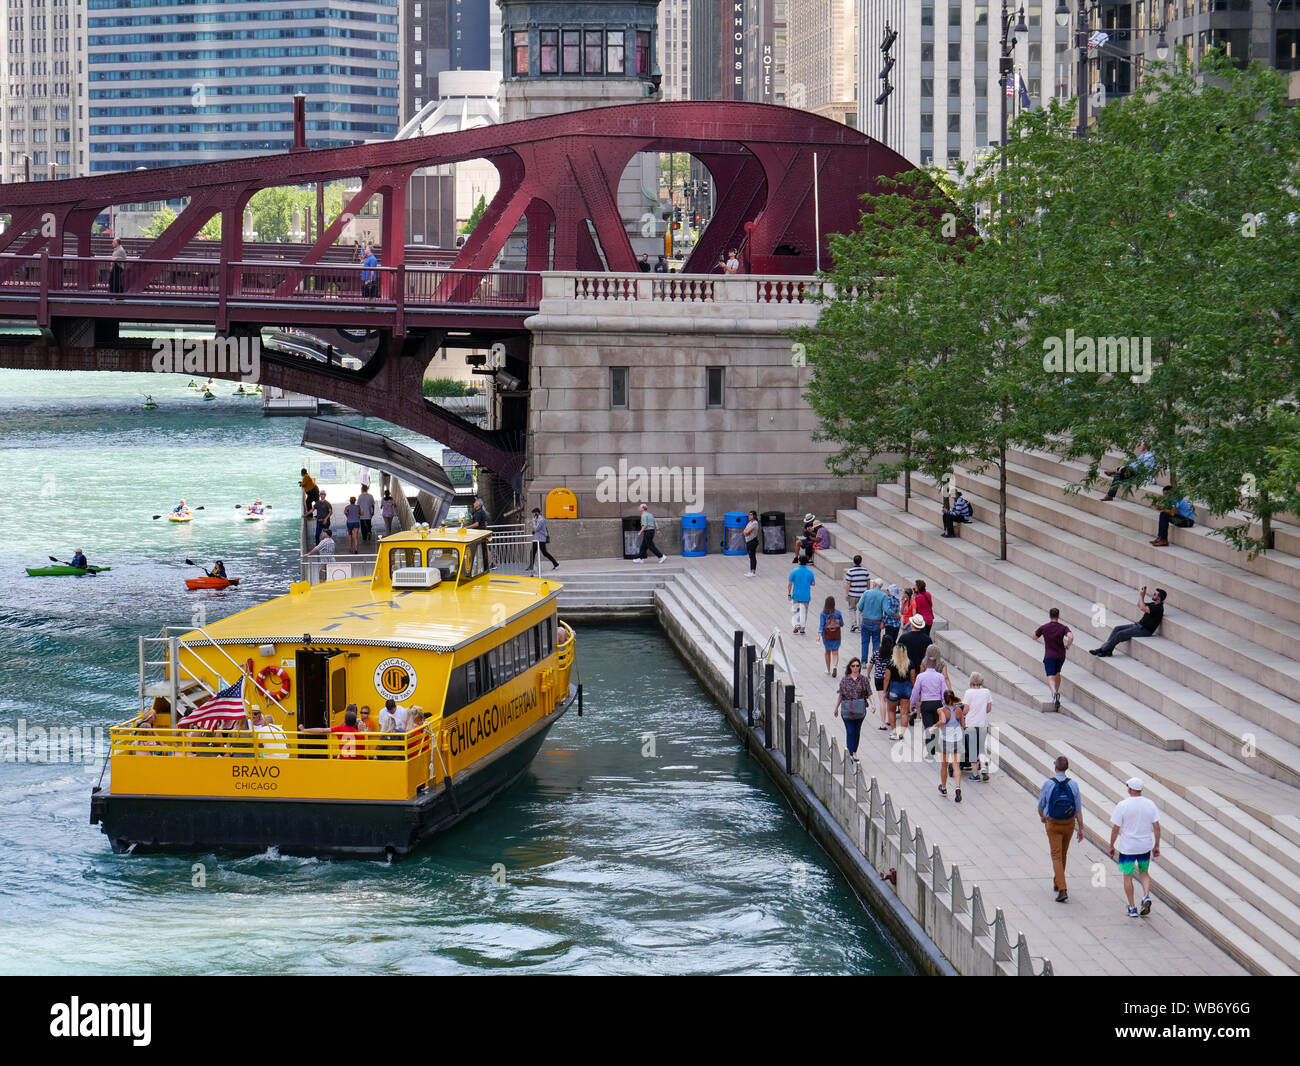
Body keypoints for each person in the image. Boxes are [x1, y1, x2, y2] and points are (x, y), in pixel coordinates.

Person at [1109, 777, 1161, 918]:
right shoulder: (1150, 804)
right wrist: (1157, 845)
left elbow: (1115, 829)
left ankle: (1132, 908)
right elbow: (1156, 827)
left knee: (1128, 877)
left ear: (1130, 789)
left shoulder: (1123, 805)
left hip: (1128, 847)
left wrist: (1111, 845)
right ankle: (1145, 896)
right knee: (1144, 872)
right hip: (1144, 846)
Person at [1038, 755, 1084, 903]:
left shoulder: (1048, 784)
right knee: (1063, 853)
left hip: (1053, 823)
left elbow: (1040, 805)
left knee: (1056, 855)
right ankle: (1058, 882)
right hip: (1069, 823)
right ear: (1067, 768)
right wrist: (1081, 828)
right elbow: (1078, 809)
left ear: (1055, 767)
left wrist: (1042, 817)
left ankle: (1062, 888)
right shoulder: (1074, 785)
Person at [1090, 587, 1166, 657]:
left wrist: (1141, 595)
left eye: (1155, 594)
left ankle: (1102, 649)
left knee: (1120, 634)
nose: (1153, 595)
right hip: (1138, 626)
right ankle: (1109, 650)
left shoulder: (1158, 608)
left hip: (1145, 630)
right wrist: (1142, 596)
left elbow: (1143, 608)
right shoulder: (1153, 604)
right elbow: (1140, 605)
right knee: (1117, 629)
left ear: (1159, 597)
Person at [914, 646, 953, 761]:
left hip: (926, 698)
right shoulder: (942, 664)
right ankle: (934, 746)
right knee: (936, 725)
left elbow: (920, 679)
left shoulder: (924, 662)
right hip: (938, 699)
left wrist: (917, 702)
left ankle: (930, 750)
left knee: (928, 726)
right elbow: (946, 677)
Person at [1032, 607, 1073, 710]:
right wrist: (1068, 645)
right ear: (1058, 616)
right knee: (1057, 673)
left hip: (1049, 655)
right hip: (1060, 655)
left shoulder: (1044, 627)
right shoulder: (1063, 627)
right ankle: (1056, 693)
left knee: (1050, 676)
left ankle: (1054, 693)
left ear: (1050, 616)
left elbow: (1034, 637)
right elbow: (1071, 637)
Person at [832, 658, 869, 762]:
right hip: (847, 710)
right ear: (850, 667)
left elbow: (869, 693)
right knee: (850, 731)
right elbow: (841, 694)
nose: (855, 668)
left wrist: (874, 705)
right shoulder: (844, 680)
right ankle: (850, 754)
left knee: (857, 731)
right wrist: (836, 708)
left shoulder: (863, 679)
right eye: (853, 666)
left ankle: (854, 752)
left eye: (857, 666)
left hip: (860, 710)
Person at [961, 673, 993, 782]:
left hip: (971, 724)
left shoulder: (968, 693)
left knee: (972, 750)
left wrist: (962, 714)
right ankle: (983, 766)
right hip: (983, 723)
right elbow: (988, 709)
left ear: (971, 681)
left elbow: (965, 709)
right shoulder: (986, 692)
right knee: (981, 749)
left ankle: (975, 775)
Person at [935, 691, 966, 801]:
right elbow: (963, 725)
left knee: (944, 765)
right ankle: (957, 787)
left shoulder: (941, 710)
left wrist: (934, 727)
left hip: (945, 740)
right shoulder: (959, 710)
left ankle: (943, 787)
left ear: (943, 698)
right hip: (957, 739)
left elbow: (942, 721)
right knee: (956, 765)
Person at [882, 641, 914, 742]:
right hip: (906, 688)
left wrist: (884, 692)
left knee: (891, 710)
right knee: (904, 712)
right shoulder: (910, 663)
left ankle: (894, 732)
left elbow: (886, 679)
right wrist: (915, 690)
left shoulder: (891, 664)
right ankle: (902, 734)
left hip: (894, 688)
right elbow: (913, 678)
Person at [856, 577, 886, 665]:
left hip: (866, 621)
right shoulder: (883, 595)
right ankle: (875, 661)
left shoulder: (866, 593)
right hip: (877, 622)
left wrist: (864, 611)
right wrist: (883, 621)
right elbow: (886, 610)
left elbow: (860, 606)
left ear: (875, 584)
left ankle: (864, 661)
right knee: (876, 642)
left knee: (865, 641)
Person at [869, 635, 894, 731]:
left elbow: (871, 664)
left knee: (881, 700)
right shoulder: (892, 654)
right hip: (889, 678)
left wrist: (868, 674)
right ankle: (889, 719)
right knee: (888, 700)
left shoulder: (876, 652)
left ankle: (883, 723)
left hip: (878, 678)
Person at [786, 556, 816, 634]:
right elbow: (813, 583)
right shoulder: (810, 572)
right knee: (804, 612)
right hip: (806, 596)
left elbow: (790, 584)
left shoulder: (794, 571)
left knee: (795, 611)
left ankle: (796, 624)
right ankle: (802, 628)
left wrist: (789, 594)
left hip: (796, 595)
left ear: (799, 562)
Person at [898, 615, 932, 680]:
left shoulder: (904, 638)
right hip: (922, 671)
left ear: (911, 625)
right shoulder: (927, 639)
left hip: (907, 670)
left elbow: (898, 654)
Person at [843, 556, 870, 632]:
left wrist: (847, 594)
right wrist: (868, 591)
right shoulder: (865, 571)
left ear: (854, 561)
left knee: (852, 609)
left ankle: (853, 625)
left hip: (853, 594)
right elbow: (868, 582)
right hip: (863, 594)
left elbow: (848, 583)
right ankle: (861, 626)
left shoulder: (850, 571)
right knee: (862, 610)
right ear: (861, 561)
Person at [818, 596, 843, 677]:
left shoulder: (823, 613)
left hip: (827, 635)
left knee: (827, 652)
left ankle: (828, 670)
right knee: (835, 652)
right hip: (836, 635)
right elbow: (841, 624)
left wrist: (819, 635)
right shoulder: (838, 613)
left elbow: (821, 625)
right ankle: (835, 666)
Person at [742, 510, 760, 577]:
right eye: (749, 515)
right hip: (748, 541)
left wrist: (746, 532)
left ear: (754, 516)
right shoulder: (749, 523)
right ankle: (751, 570)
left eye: (751, 515)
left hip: (752, 541)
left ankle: (753, 571)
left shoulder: (755, 523)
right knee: (750, 556)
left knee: (752, 556)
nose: (749, 516)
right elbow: (744, 531)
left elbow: (747, 532)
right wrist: (746, 532)